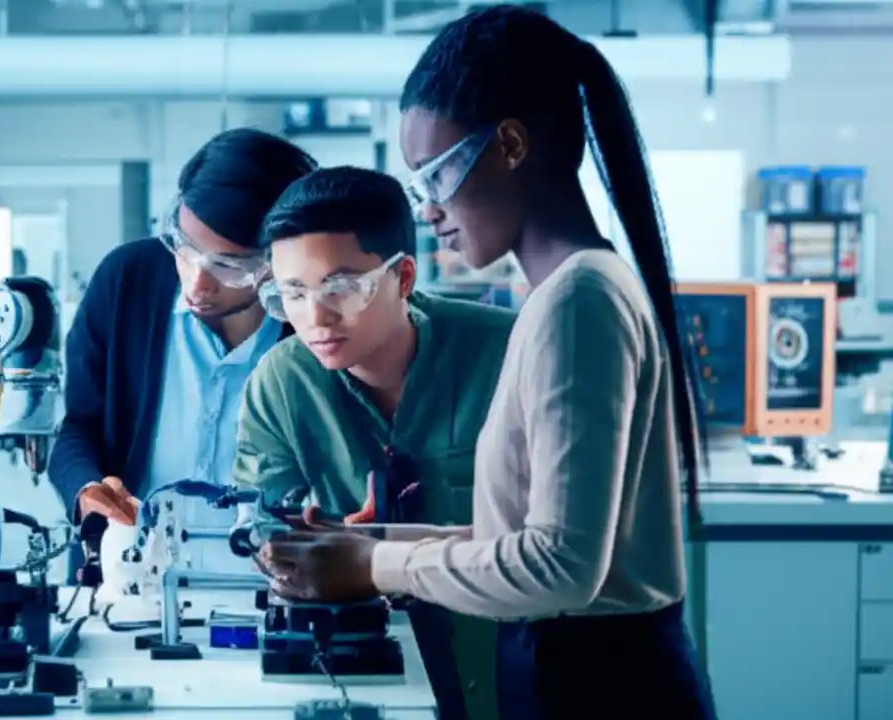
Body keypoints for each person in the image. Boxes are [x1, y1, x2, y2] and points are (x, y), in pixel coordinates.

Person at [260, 6, 718, 720]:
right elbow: (521, 539)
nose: (431, 210)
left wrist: (374, 565)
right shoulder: (563, 295)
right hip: (580, 668)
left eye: (435, 177)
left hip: (599, 685)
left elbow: (560, 567)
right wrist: (368, 542)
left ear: (509, 144)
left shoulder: (578, 301)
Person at [233, 165, 514, 719]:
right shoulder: (281, 383)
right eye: (292, 293)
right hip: (368, 675)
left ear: (403, 277)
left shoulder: (508, 355)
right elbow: (261, 521)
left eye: (340, 287)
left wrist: (383, 549)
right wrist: (287, 550)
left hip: (515, 665)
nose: (315, 318)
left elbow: (552, 537)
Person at [49, 128, 316, 574]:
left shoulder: (312, 325)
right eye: (185, 249)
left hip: (271, 590)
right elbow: (78, 426)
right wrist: (86, 490)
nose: (197, 282)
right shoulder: (126, 282)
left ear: (279, 260)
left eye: (228, 266)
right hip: (135, 585)